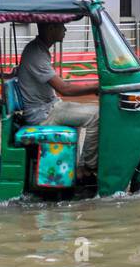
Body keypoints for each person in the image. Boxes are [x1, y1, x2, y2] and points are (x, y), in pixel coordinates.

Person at [17, 22, 100, 176]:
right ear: (51, 28)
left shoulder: (39, 50)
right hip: (42, 114)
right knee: (97, 115)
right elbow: (64, 89)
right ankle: (88, 168)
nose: (65, 29)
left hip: (49, 107)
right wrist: (96, 87)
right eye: (62, 25)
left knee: (86, 113)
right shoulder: (36, 53)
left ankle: (79, 168)